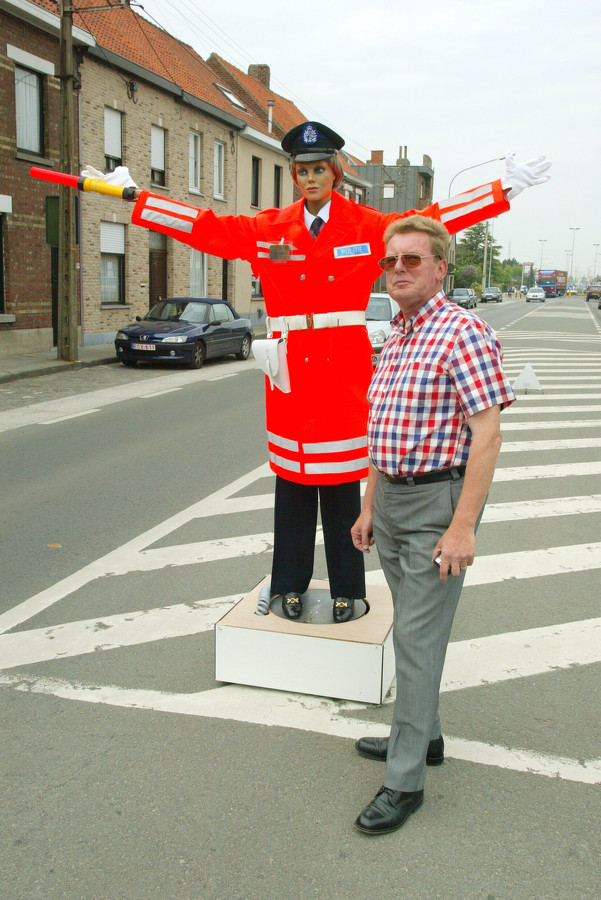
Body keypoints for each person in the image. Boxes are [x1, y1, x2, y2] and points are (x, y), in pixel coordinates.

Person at [127, 124, 546, 623]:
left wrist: (503, 191)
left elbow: (430, 220)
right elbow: (206, 226)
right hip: (287, 369)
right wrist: (137, 197)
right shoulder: (270, 229)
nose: (309, 179)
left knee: (345, 483)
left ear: (335, 171)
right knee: (292, 483)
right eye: (301, 171)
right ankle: (289, 584)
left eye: (318, 169)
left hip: (343, 366)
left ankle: (349, 587)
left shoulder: (366, 225)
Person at [350, 215, 516, 835]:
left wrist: (463, 526)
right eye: (391, 260)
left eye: (413, 260)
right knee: (417, 635)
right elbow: (381, 430)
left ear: (442, 268)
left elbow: (488, 434)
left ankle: (404, 780)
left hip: (436, 510)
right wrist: (370, 506)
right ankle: (427, 737)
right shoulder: (395, 336)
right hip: (393, 501)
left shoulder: (462, 333)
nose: (398, 269)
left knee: (416, 643)